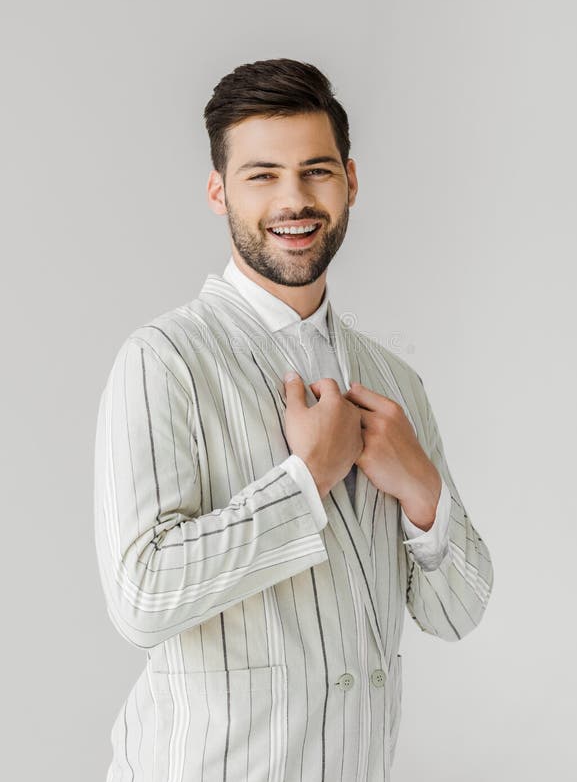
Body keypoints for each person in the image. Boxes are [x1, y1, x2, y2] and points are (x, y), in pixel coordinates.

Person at [94, 57, 494, 782]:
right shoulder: (165, 360)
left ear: (350, 180)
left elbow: (456, 614)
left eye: (315, 171)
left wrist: (422, 493)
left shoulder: (393, 382)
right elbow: (142, 597)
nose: (293, 200)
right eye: (262, 175)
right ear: (219, 192)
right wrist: (306, 480)